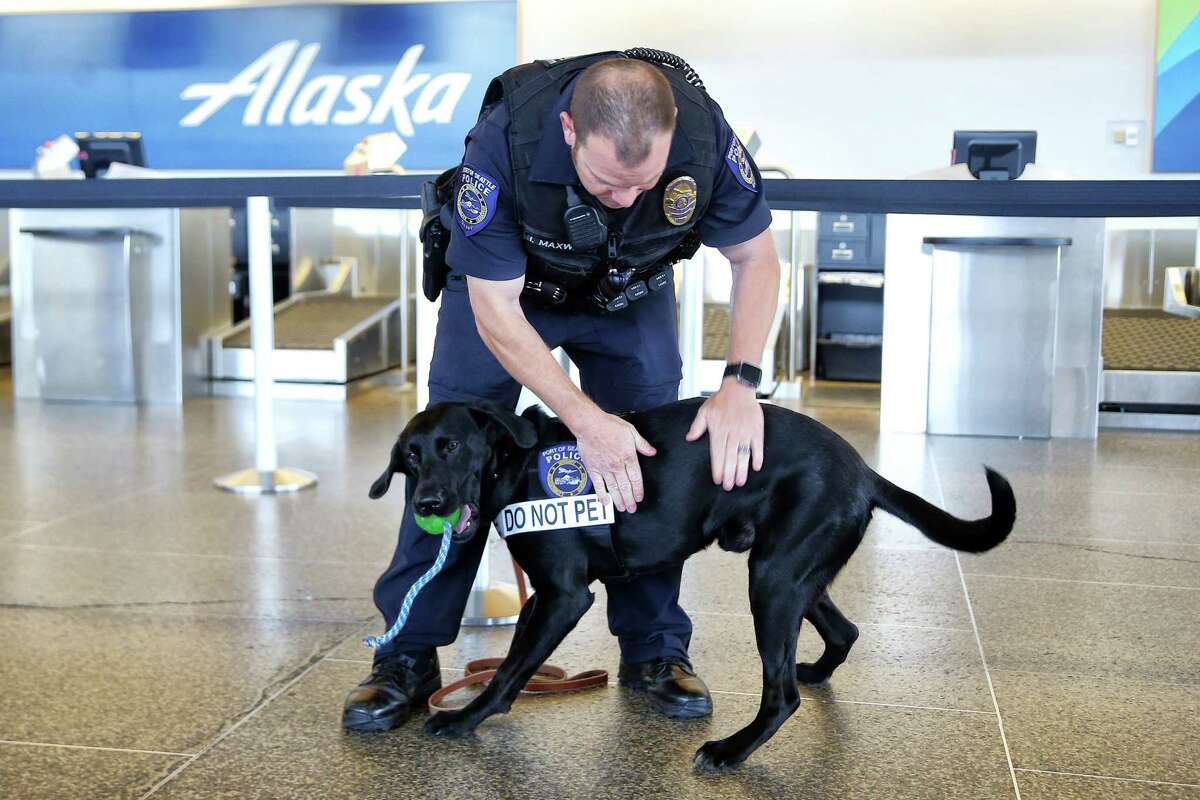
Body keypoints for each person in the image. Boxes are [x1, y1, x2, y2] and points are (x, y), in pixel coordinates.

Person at [343, 50, 781, 732]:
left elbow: (755, 255)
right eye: (609, 184)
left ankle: (654, 649)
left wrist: (740, 383)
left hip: (629, 287)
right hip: (510, 292)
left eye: (646, 184)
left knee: (645, 462)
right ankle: (407, 653)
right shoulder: (506, 141)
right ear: (570, 130)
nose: (628, 200)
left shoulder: (703, 137)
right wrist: (581, 418)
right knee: (447, 455)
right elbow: (492, 305)